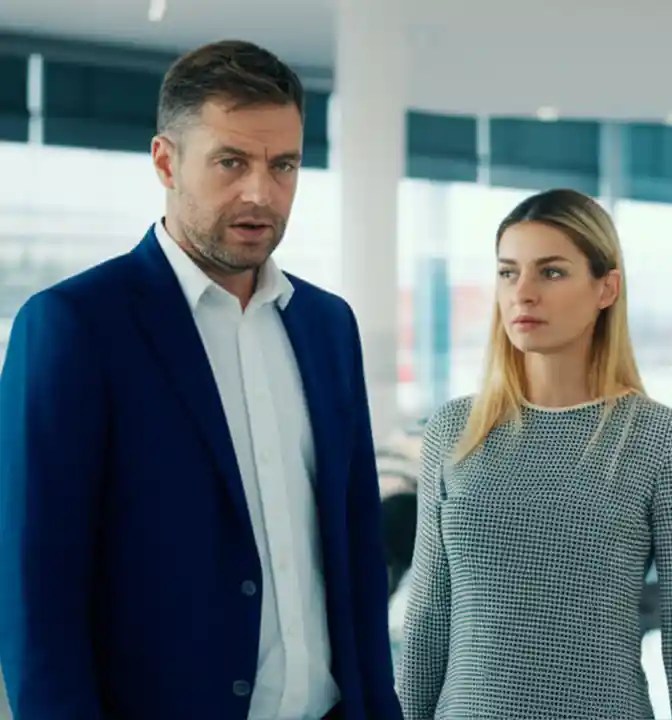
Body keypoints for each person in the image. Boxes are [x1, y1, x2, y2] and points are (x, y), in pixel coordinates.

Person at [0, 40, 401, 720]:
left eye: (283, 166)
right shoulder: (75, 326)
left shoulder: (328, 328)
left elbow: (359, 559)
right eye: (231, 162)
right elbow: (34, 595)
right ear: (166, 161)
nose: (260, 192)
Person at [396, 189, 672, 719]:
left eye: (551, 272)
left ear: (606, 288)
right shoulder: (455, 429)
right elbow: (430, 614)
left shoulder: (662, 439)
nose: (522, 293)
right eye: (508, 272)